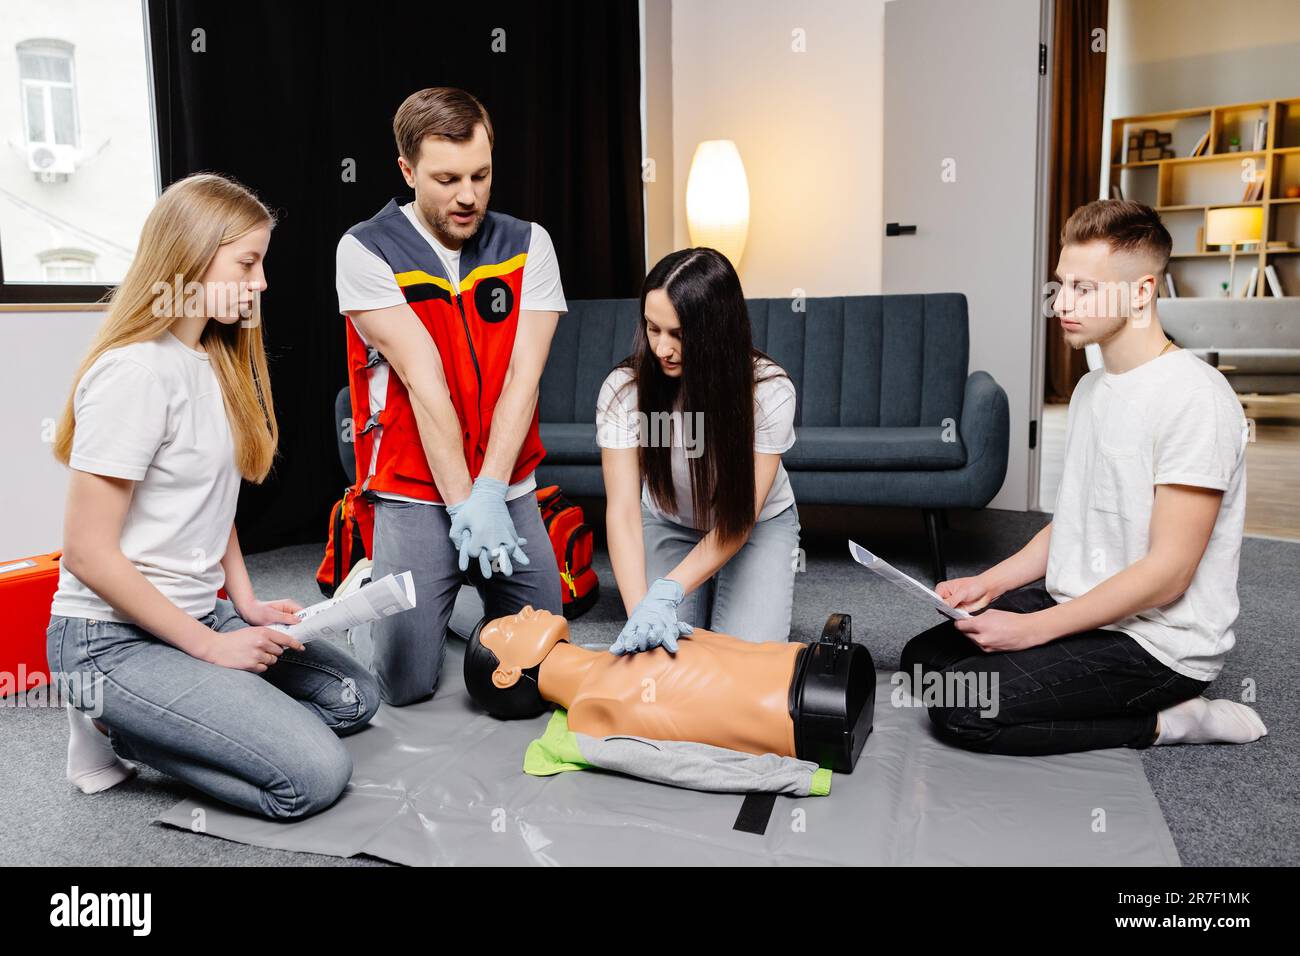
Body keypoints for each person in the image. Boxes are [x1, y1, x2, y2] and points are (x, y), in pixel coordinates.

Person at [46, 173, 380, 819]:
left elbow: (208, 502)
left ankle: (181, 710)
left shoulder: (209, 361)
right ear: (191, 257)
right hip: (108, 639)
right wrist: (208, 650)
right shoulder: (135, 374)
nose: (261, 284)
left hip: (198, 613)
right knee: (311, 777)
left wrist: (244, 601)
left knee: (350, 698)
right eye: (248, 263)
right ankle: (119, 726)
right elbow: (87, 554)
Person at [900, 199, 1267, 755]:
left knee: (965, 707)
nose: (1061, 303)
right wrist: (990, 583)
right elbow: (1076, 522)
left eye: (1083, 289)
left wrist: (1029, 631)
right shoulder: (1092, 389)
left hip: (1158, 643)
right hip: (1083, 603)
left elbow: (1169, 574)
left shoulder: (1196, 399)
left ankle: (1177, 721)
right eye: (1061, 284)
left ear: (1142, 292)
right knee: (923, 665)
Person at [335, 87, 566, 704]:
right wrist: (464, 506)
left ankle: (453, 595)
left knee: (545, 660)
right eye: (446, 178)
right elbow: (423, 378)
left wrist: (491, 492)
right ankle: (370, 590)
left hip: (504, 483)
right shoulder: (365, 249)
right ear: (407, 171)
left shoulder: (529, 244)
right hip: (414, 489)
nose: (468, 195)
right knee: (407, 684)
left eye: (480, 175)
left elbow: (524, 377)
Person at [597, 248, 800, 655]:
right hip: (668, 522)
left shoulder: (769, 393)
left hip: (754, 526)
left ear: (716, 331)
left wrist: (670, 589)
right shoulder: (624, 390)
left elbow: (738, 520)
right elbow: (621, 510)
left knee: (742, 665)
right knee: (656, 658)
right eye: (653, 329)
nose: (660, 349)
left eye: (678, 334)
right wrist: (643, 609)